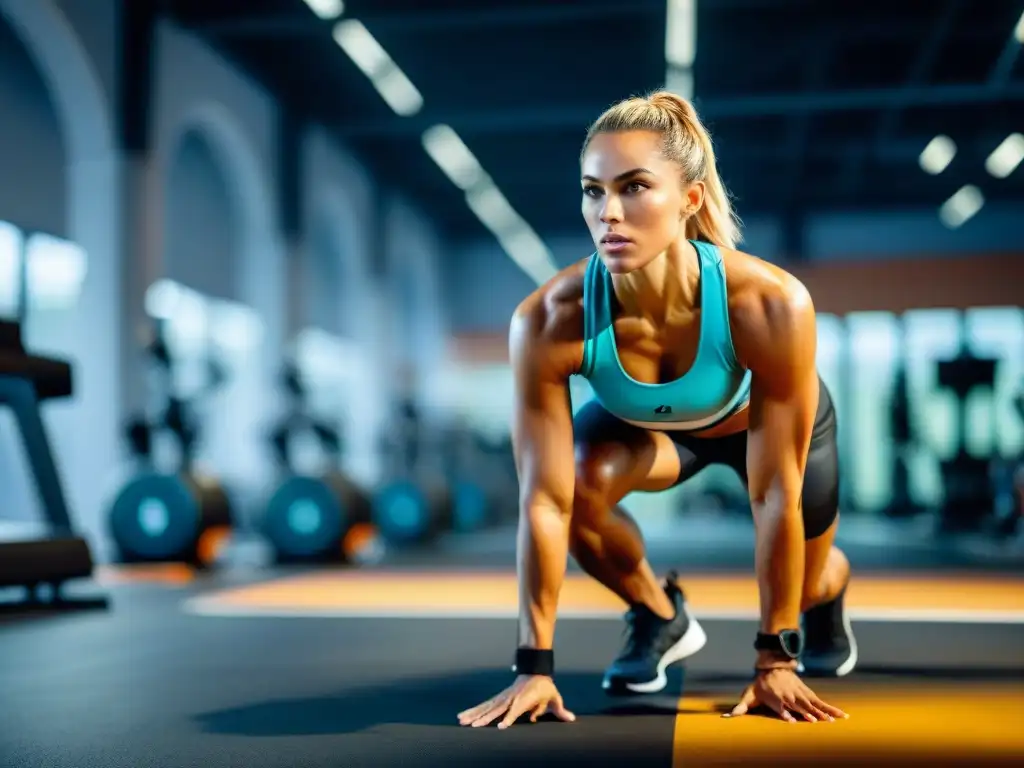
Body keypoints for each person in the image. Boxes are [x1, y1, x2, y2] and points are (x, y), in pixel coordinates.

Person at [457, 90, 856, 730]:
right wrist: (533, 664)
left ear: (690, 199)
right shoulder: (549, 318)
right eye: (593, 191)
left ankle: (829, 586)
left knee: (801, 586)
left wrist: (774, 656)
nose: (608, 212)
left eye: (634, 187)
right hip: (657, 433)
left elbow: (774, 495)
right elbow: (544, 501)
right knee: (578, 482)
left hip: (754, 424)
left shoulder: (771, 302)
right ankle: (658, 614)